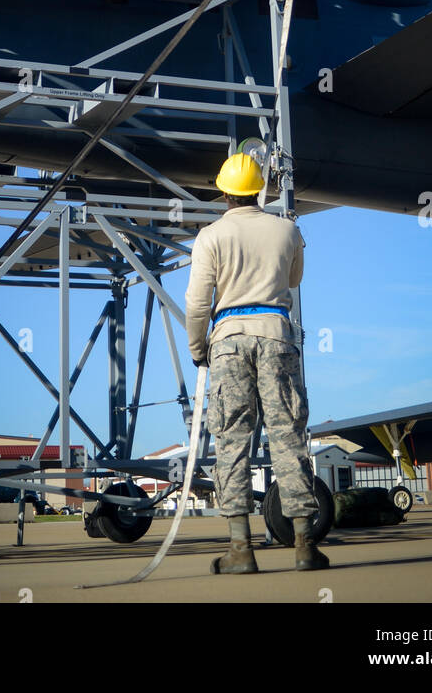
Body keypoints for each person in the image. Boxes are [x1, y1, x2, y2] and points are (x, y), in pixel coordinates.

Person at [185, 152, 328, 575]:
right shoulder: (288, 230)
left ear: (224, 191)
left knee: (231, 441)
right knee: (289, 436)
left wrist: (199, 348)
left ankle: (240, 549)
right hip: (276, 334)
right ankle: (304, 544)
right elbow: (294, 279)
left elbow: (197, 303)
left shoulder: (210, 235)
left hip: (228, 341)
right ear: (259, 190)